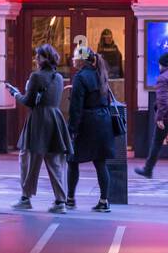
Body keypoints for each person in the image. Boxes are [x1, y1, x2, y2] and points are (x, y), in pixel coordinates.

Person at [10, 43, 73, 214]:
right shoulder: (59, 78)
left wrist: (16, 94)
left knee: (28, 160)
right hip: (55, 120)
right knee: (54, 162)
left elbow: (28, 101)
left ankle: (25, 198)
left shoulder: (36, 77)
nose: (36, 58)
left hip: (38, 120)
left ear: (45, 58)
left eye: (38, 56)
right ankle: (60, 201)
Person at [67, 46, 114, 212]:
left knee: (72, 160)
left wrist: (72, 129)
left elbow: (76, 107)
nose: (72, 59)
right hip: (103, 121)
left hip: (87, 123)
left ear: (81, 60)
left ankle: (70, 199)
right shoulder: (100, 74)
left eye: (74, 56)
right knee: (100, 163)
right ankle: (104, 200)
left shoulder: (80, 77)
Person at [135, 51, 168, 181]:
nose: (159, 68)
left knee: (156, 143)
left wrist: (159, 118)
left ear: (163, 65)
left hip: (167, 117)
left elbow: (163, 101)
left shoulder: (163, 78)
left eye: (159, 65)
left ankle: (148, 170)